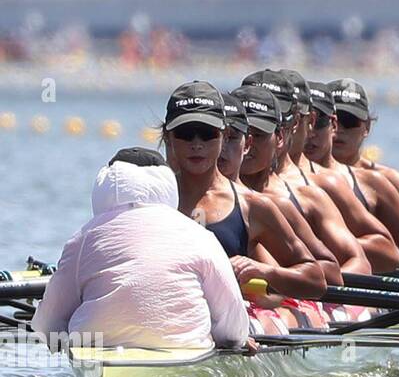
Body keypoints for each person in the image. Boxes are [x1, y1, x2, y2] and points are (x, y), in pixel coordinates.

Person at [31, 148, 251, 351]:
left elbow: (48, 324)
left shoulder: (82, 239)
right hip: (185, 352)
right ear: (167, 187)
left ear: (104, 186)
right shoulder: (200, 236)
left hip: (98, 354)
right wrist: (229, 339)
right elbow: (234, 325)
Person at [161, 81, 325, 303]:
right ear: (168, 137)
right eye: (186, 133)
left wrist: (264, 271)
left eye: (207, 133)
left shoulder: (252, 206)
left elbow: (315, 280)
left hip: (232, 327)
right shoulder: (153, 201)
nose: (197, 144)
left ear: (223, 134)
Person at [242, 69, 399, 273]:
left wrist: (307, 253)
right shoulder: (206, 186)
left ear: (295, 122)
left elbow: (383, 255)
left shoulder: (317, 187)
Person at [325, 78, 399, 270]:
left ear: (367, 128)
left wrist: (376, 261)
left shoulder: (388, 181)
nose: (339, 130)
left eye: (349, 121)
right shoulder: (295, 177)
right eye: (333, 121)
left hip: (368, 281)